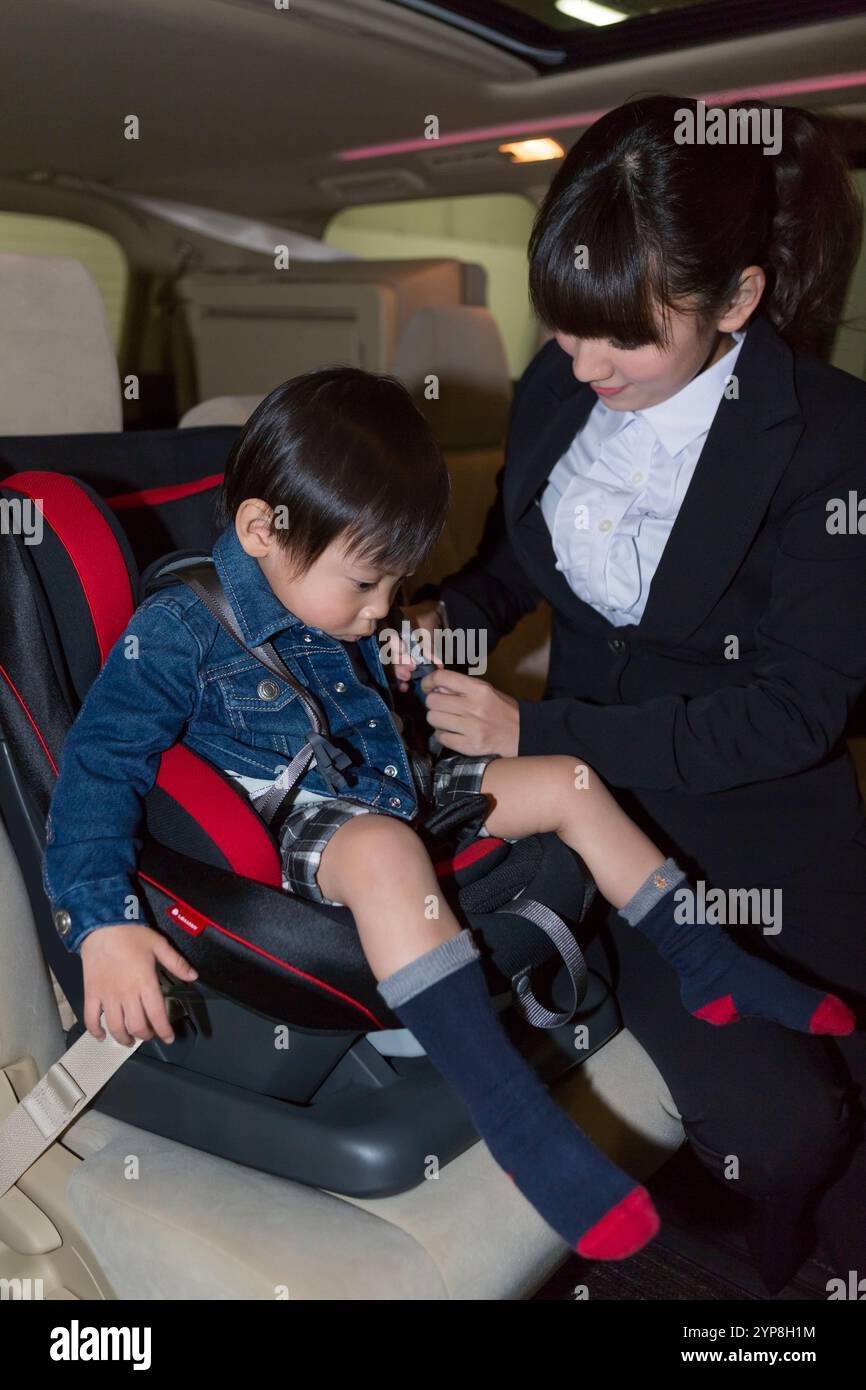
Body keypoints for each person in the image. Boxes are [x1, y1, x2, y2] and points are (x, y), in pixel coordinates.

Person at [42, 367, 854, 1266]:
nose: (382, 605)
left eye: (394, 583)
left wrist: (393, 671)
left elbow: (367, 685)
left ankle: (709, 963)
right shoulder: (178, 631)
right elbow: (95, 769)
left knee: (571, 781)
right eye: (366, 584)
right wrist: (102, 922)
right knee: (388, 853)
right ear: (260, 530)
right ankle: (515, 1123)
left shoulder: (328, 601)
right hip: (298, 827)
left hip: (386, 787)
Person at [403, 95, 866, 1284]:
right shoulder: (561, 386)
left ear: (736, 302)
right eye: (563, 330)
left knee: (794, 1130)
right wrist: (444, 624)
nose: (583, 366)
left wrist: (539, 727)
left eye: (620, 342)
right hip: (569, 808)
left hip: (737, 837)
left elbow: (795, 711)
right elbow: (522, 558)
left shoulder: (832, 441)